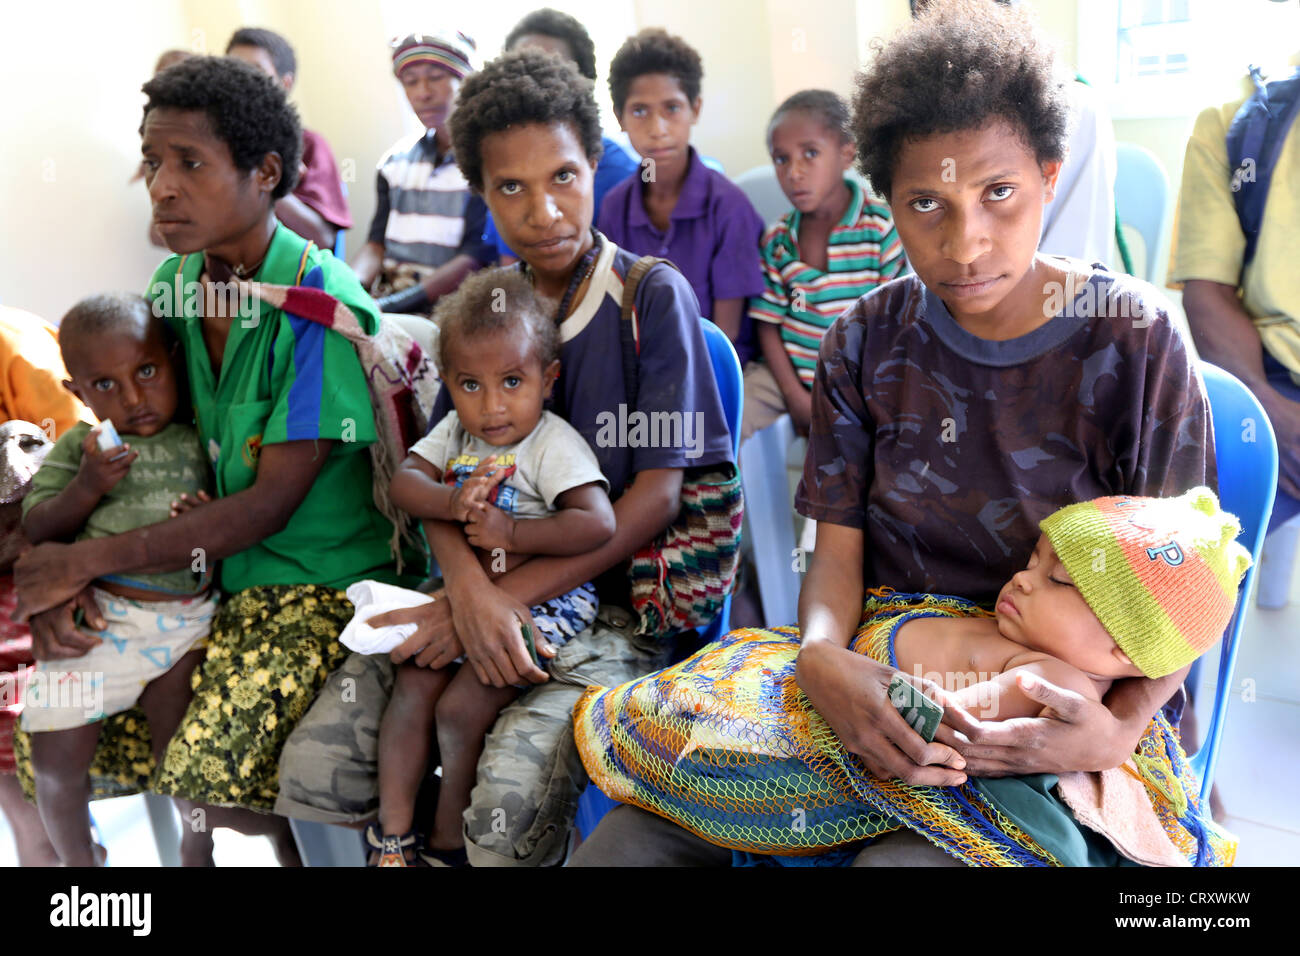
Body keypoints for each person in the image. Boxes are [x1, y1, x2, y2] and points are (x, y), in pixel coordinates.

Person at [571, 0, 1213, 866]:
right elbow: (835, 550)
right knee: (630, 846)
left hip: (1059, 722)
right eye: (926, 203)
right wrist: (822, 658)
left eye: (998, 194)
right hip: (885, 671)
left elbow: (1184, 595)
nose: (966, 242)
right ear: (888, 201)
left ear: (1051, 177)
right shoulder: (864, 341)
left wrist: (1113, 733)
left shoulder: (1134, 342)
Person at [275, 48, 734, 867]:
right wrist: (462, 596)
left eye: (563, 176)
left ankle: (454, 843)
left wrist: (497, 603)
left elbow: (657, 499)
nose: (543, 210)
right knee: (323, 757)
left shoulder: (650, 299)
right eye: (510, 187)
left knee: (505, 809)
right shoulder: (487, 307)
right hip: (479, 582)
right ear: (480, 192)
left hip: (618, 610)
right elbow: (442, 472)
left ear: (596, 165)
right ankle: (403, 845)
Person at [12, 55, 422, 866]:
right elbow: (146, 444)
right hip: (201, 585)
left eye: (189, 163)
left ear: (265, 173)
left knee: (208, 772)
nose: (161, 186)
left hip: (314, 590)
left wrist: (82, 559)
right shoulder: (173, 289)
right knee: (47, 738)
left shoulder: (318, 309)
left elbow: (267, 506)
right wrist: (67, 587)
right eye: (154, 162)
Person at [575, 487, 1244, 867]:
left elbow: (943, 724)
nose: (1022, 578)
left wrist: (863, 691)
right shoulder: (989, 619)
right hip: (804, 740)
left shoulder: (1048, 676)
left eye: (1058, 582)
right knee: (624, 845)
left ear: (1126, 652)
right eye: (1035, 559)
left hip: (881, 804)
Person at [371, 268, 614, 866]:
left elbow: (597, 523)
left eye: (511, 381)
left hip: (541, 601)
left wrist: (513, 531)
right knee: (412, 686)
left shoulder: (549, 445)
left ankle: (449, 837)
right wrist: (451, 501)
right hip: (466, 590)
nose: (493, 405)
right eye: (470, 385)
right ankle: (394, 839)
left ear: (547, 379)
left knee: (459, 708)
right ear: (449, 385)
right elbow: (405, 482)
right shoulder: (455, 432)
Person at [20, 294, 217, 867]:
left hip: (186, 625)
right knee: (53, 761)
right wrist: (86, 487)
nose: (134, 398)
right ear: (77, 393)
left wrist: (201, 521)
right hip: (102, 625)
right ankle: (82, 866)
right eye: (104, 386)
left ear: (174, 361)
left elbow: (230, 532)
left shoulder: (198, 437)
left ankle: (196, 848)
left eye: (147, 372)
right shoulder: (81, 450)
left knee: (181, 757)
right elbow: (39, 525)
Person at [1170, 58, 1300, 606]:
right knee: (1162, 576)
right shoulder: (1238, 125)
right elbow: (1208, 293)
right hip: (1277, 388)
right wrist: (1276, 421)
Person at [597, 28, 766, 370]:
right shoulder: (615, 207)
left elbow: (725, 335)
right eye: (640, 111)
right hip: (640, 366)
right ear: (620, 118)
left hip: (715, 367)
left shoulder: (728, 207)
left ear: (695, 109)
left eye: (672, 108)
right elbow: (613, 311)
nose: (658, 128)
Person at [744, 89, 905, 441]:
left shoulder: (879, 227)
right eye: (781, 159)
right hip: (784, 377)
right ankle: (718, 493)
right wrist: (796, 397)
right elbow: (768, 325)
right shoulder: (778, 240)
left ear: (847, 153)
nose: (794, 173)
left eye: (810, 154)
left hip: (863, 377)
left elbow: (895, 325)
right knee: (727, 415)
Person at [0, 306, 90, 867]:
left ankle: (57, 850)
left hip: (42, 554)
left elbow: (80, 457)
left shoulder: (13, 344)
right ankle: (40, 845)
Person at [352, 30, 496, 316]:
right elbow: (375, 245)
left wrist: (393, 306)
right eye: (411, 82)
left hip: (451, 309)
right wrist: (349, 290)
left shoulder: (486, 164)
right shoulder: (394, 164)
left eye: (436, 77)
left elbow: (473, 259)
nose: (423, 93)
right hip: (389, 301)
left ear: (465, 80)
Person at [480, 8, 640, 265]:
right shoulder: (501, 171)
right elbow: (511, 269)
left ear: (584, 83)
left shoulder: (625, 179)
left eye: (552, 73)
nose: (534, 87)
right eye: (521, 73)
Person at [226, 27, 353, 252]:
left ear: (285, 84)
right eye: (233, 72)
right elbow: (160, 233)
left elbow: (321, 238)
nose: (241, 84)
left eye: (255, 73)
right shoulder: (216, 145)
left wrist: (259, 177)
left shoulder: (309, 145)